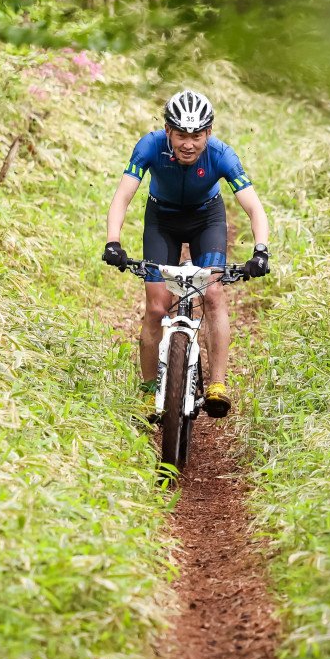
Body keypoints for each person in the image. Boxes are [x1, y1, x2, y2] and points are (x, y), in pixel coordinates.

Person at [102, 89, 271, 418]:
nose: (188, 144)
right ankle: (148, 391)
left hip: (207, 219)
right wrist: (113, 241)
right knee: (155, 309)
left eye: (196, 135)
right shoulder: (149, 146)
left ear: (208, 132)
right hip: (160, 221)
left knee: (213, 294)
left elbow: (253, 207)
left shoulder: (222, 154)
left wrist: (260, 249)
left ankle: (217, 385)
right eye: (181, 135)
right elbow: (122, 196)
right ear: (168, 131)